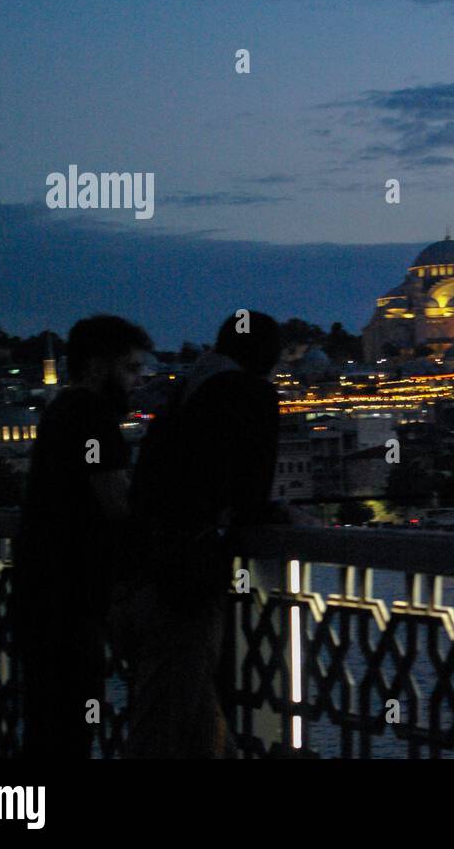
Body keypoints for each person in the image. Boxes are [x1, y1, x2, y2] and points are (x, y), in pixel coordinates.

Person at [125, 311, 283, 758]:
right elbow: (252, 496)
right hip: (186, 577)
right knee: (168, 714)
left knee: (189, 709)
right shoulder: (249, 393)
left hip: (144, 569)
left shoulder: (186, 391)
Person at [14, 315, 152, 758]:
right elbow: (117, 505)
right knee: (70, 729)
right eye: (130, 369)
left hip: (41, 596)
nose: (137, 380)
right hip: (71, 604)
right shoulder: (92, 417)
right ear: (97, 366)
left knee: (48, 726)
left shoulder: (61, 411)